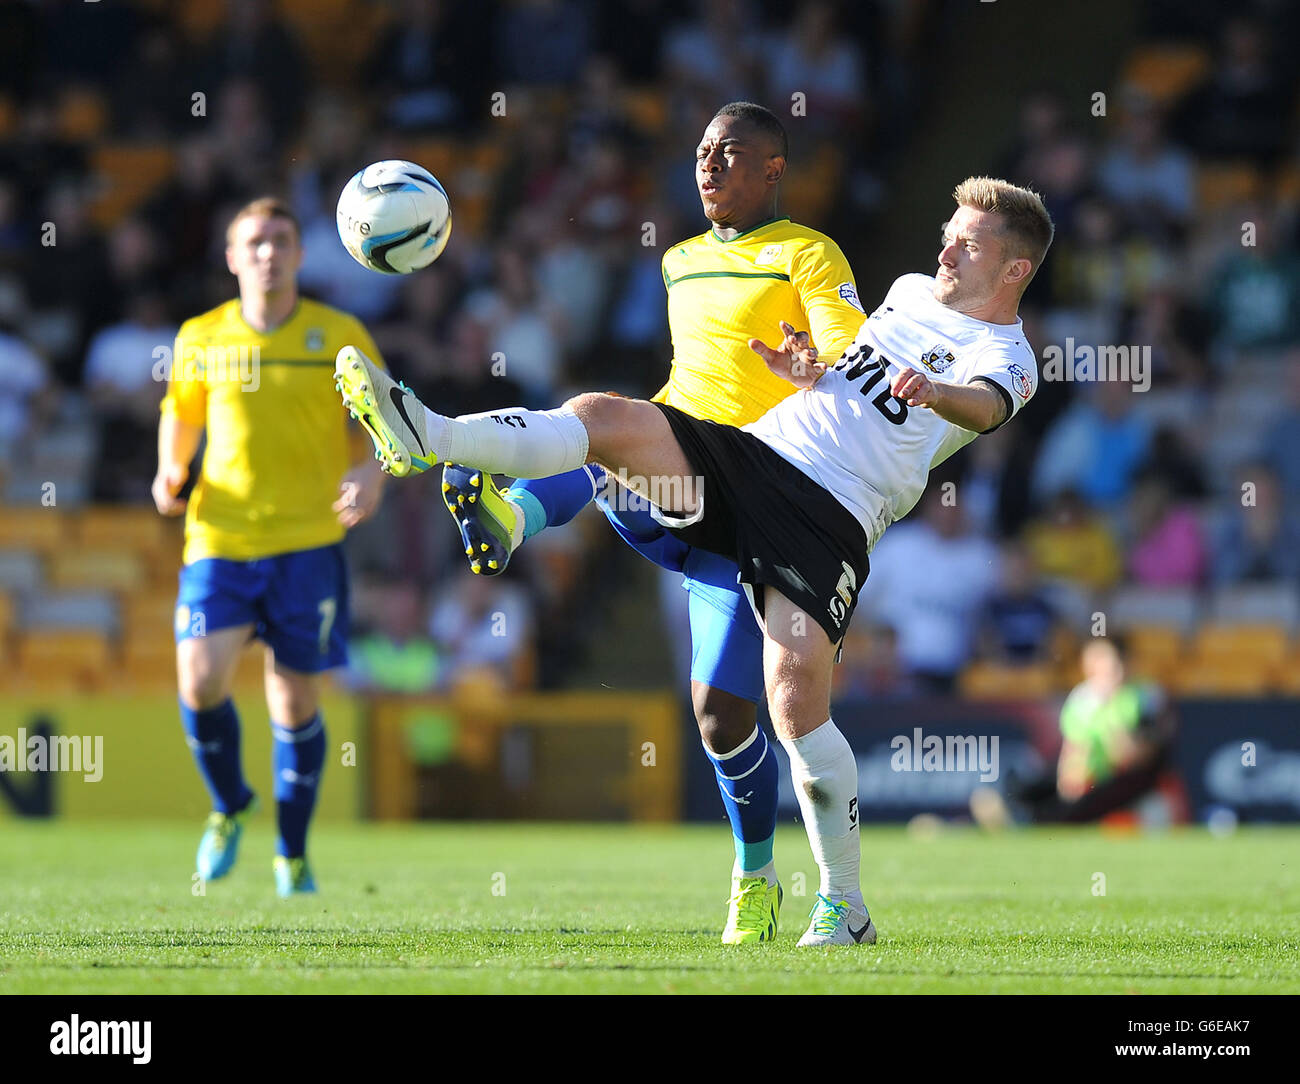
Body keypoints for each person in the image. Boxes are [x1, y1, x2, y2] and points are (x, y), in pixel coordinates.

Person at [337, 175, 1053, 945]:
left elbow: (983, 406)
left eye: (968, 243)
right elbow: (861, 385)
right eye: (948, 230)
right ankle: (432, 434)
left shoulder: (1008, 354)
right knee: (602, 418)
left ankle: (845, 906)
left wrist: (938, 390)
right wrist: (810, 373)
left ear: (1013, 270)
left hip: (832, 515)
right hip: (759, 456)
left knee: (793, 707)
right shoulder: (911, 289)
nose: (945, 247)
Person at [441, 102, 865, 944]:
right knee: (607, 442)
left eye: (731, 152)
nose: (708, 164)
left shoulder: (809, 252)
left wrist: (814, 364)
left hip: (766, 502)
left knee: (717, 716)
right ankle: (513, 519)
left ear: (774, 169)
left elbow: (850, 353)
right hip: (688, 465)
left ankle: (754, 872)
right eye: (702, 150)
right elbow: (689, 378)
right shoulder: (677, 261)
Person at [154, 197, 386, 896]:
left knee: (295, 706)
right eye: (253, 242)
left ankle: (291, 855)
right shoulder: (201, 335)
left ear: (300, 253)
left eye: (280, 240)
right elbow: (182, 415)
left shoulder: (340, 336)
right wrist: (170, 470)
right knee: (199, 681)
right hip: (220, 536)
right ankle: (230, 805)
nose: (267, 253)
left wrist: (371, 473)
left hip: (308, 543)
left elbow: (386, 420)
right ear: (231, 257)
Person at [971, 636, 1174, 827]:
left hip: (1129, 779)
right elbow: (1075, 747)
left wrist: (1111, 717)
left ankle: (1022, 823)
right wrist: (1070, 778)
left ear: (1125, 663)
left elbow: (1136, 757)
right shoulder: (1083, 698)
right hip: (1093, 775)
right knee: (1036, 787)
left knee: (1083, 804)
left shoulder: (1146, 696)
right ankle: (1011, 813)